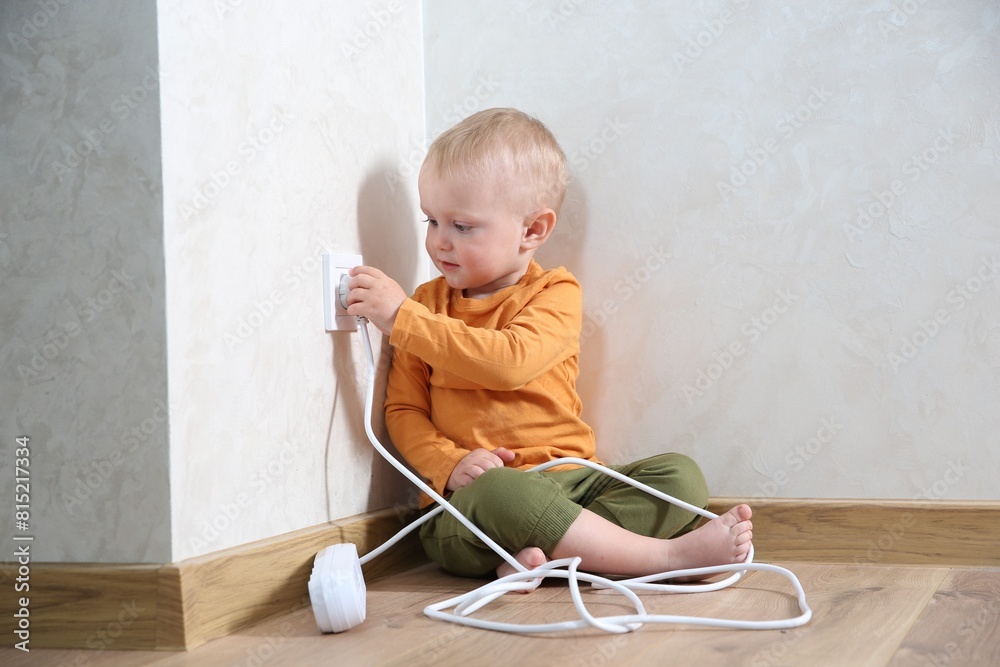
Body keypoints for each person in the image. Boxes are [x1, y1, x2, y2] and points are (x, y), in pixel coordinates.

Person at [345, 107, 752, 580]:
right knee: (502, 491)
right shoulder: (424, 307)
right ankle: (662, 559)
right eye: (431, 221)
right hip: (472, 505)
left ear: (533, 230)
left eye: (462, 226)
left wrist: (399, 318)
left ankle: (552, 558)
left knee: (680, 477)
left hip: (573, 483)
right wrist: (449, 463)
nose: (440, 242)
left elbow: (508, 363)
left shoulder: (555, 294)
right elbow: (403, 412)